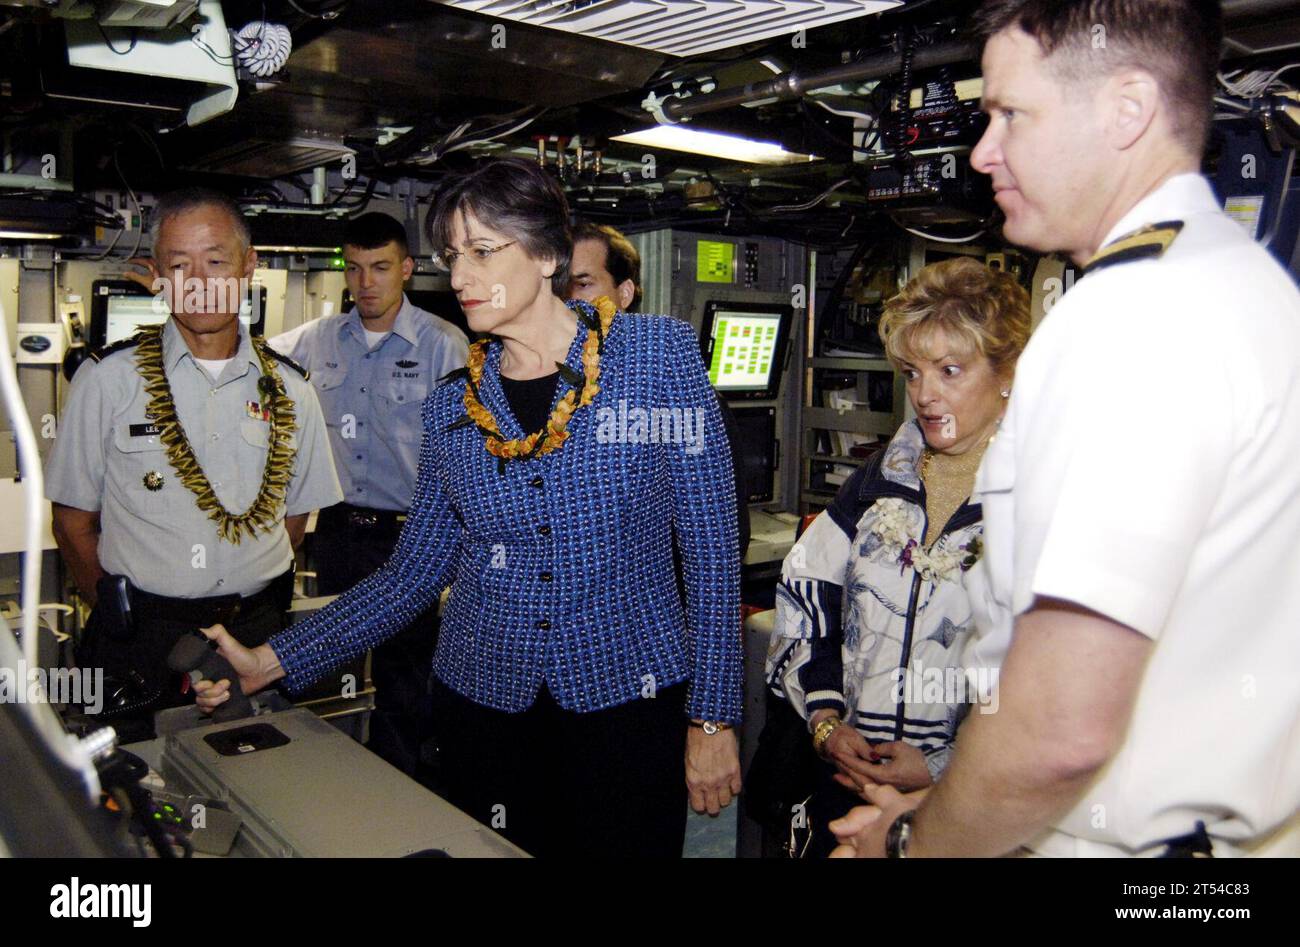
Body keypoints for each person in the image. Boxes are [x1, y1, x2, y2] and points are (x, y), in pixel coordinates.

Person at [832, 0, 1300, 858]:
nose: (981, 151)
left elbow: (1061, 728)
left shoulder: (1131, 318)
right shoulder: (1251, 291)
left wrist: (913, 848)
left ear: (1127, 110)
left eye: (1010, 113)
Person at [194, 157, 744, 858]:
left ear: (546, 254)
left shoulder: (655, 357)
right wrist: (271, 660)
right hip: (486, 706)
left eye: (483, 251)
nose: (458, 277)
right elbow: (412, 574)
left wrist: (713, 718)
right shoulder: (454, 406)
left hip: (626, 702)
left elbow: (712, 547)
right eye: (453, 256)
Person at [45, 187, 341, 739]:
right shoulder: (108, 380)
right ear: (157, 274)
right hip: (138, 636)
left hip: (256, 633)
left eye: (216, 261)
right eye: (179, 266)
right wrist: (115, 611)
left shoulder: (292, 389)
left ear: (249, 266)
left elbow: (294, 520)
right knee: (127, 794)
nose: (199, 283)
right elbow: (72, 521)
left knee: (259, 784)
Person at [768, 257, 1030, 857]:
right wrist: (827, 721)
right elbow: (804, 591)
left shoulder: (1040, 497)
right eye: (912, 372)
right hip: (844, 779)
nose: (925, 394)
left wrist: (944, 765)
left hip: (971, 807)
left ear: (1009, 371)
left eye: (950, 370)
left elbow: (1053, 676)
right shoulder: (875, 482)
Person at [268, 212, 468, 781]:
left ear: (406, 269)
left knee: (406, 682)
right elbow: (249, 362)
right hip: (338, 532)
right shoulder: (316, 339)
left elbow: (465, 454)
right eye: (354, 269)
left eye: (380, 268)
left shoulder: (442, 346)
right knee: (328, 665)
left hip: (409, 540)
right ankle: (331, 783)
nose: (366, 282)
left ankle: (399, 793)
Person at [568, 219, 750, 557]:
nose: (568, 299)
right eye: (559, 286)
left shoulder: (678, 400)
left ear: (624, 294)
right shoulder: (547, 395)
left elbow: (720, 538)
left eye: (583, 284)